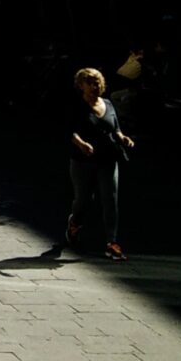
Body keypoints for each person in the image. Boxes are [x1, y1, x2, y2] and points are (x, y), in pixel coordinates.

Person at [66, 67, 135, 261]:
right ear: (81, 86)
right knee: (84, 200)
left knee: (110, 200)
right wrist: (81, 144)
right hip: (83, 161)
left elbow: (116, 128)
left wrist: (123, 138)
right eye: (90, 83)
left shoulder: (108, 104)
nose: (95, 86)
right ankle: (75, 222)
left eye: (97, 82)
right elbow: (70, 131)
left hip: (108, 159)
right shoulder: (77, 106)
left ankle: (111, 242)